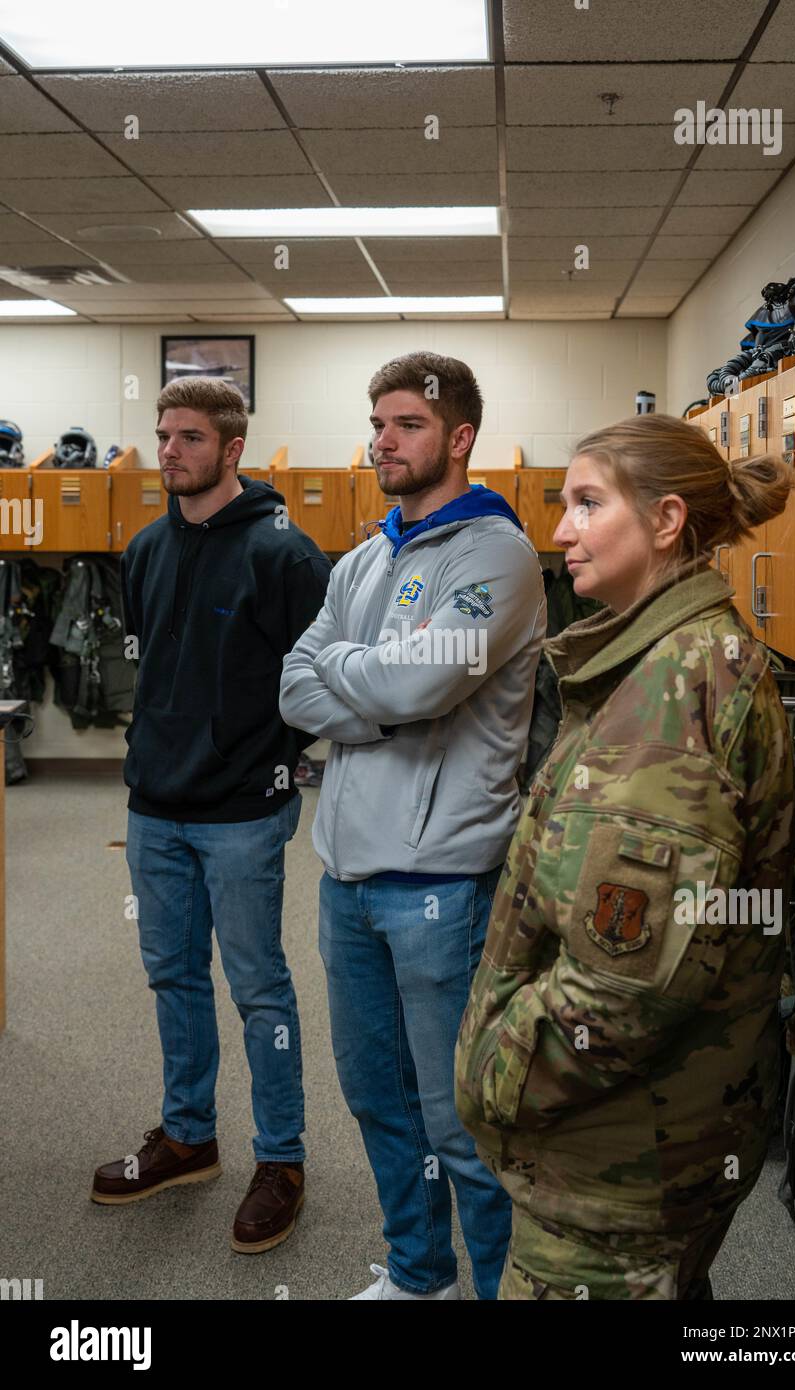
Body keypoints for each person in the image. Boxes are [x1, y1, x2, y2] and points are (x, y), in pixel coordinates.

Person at [454, 412, 795, 1300]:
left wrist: (492, 1078)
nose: (560, 531)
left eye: (587, 503)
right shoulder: (662, 661)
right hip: (651, 1145)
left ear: (667, 520)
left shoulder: (669, 700)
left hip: (617, 1173)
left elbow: (626, 989)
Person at [279, 351, 547, 1299]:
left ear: (459, 436)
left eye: (407, 425)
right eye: (378, 424)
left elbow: (423, 681)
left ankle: (497, 1291)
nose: (383, 441)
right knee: (376, 1102)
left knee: (458, 1118)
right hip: (346, 879)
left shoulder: (499, 556)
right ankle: (418, 1273)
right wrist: (382, 694)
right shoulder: (365, 555)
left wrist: (376, 688)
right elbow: (294, 683)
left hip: (441, 887)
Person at [91, 377, 331, 1256]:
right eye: (162, 435)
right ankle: (188, 1135)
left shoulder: (285, 553)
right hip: (154, 806)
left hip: (240, 811)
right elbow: (155, 662)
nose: (170, 451)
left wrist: (264, 758)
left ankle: (283, 1159)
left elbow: (321, 681)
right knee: (173, 978)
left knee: (258, 984)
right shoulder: (147, 547)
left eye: (189, 437)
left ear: (232, 450)